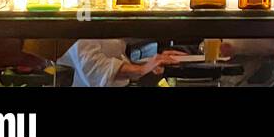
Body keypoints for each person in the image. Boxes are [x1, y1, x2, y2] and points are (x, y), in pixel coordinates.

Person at [56, 40, 189, 87]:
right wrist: (142, 69)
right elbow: (96, 69)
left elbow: (115, 55)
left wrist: (154, 61)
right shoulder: (78, 13)